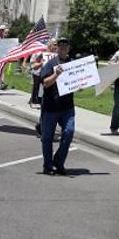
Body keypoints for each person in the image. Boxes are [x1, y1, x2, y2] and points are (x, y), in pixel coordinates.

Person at [38, 36, 76, 175]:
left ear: (68, 49)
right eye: (60, 46)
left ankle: (59, 161)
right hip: (51, 107)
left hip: (67, 107)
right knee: (47, 138)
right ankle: (48, 166)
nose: (63, 49)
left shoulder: (72, 63)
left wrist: (80, 85)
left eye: (65, 47)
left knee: (69, 132)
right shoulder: (51, 63)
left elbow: (76, 81)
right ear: (57, 48)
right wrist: (56, 75)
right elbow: (45, 83)